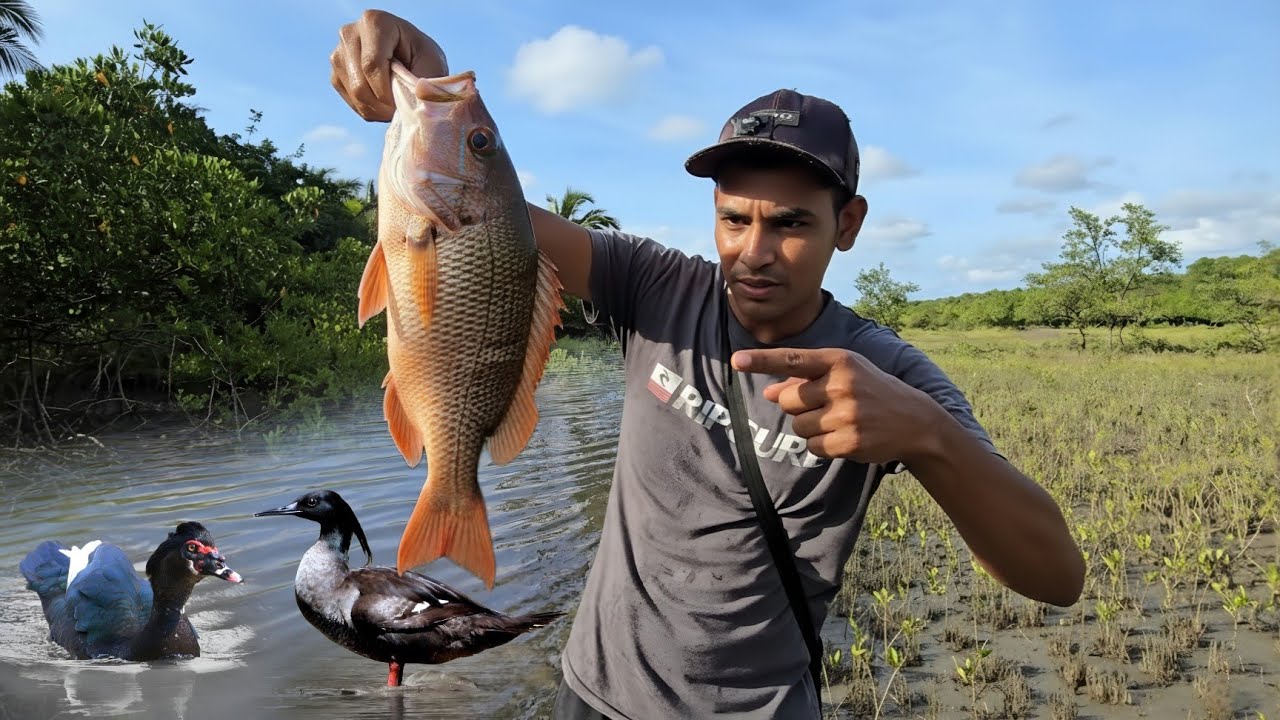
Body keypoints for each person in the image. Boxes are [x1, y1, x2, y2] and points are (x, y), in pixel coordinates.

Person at [329, 10, 1085, 719]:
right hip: (593, 693)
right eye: (734, 219)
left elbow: (1057, 577)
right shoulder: (657, 288)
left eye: (792, 224)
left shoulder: (888, 373)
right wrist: (424, 80)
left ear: (847, 224)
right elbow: (483, 222)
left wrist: (929, 436)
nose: (754, 253)